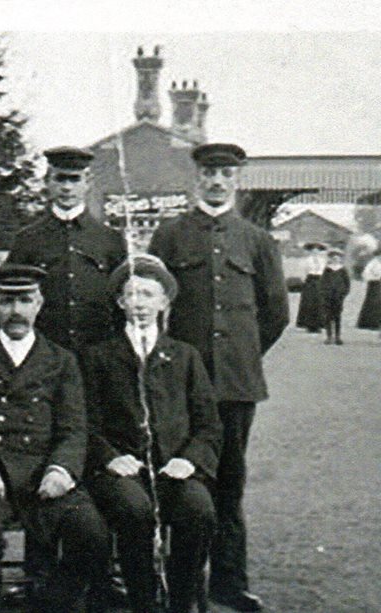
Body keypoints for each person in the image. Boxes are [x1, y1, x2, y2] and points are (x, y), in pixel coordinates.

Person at [149, 143, 289, 612]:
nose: (216, 181)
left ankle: (229, 582)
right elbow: (153, 304)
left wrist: (239, 358)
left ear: (237, 180)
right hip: (180, 387)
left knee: (229, 483)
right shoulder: (169, 236)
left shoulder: (256, 240)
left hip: (234, 386)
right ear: (197, 178)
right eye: (209, 172)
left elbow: (275, 315)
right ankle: (179, 582)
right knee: (179, 479)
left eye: (225, 173)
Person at [0, 264, 109, 613]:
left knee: (92, 535)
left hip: (43, 473)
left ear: (39, 304)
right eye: (6, 300)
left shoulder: (61, 360)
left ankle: (52, 604)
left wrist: (61, 471)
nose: (16, 310)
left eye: (25, 300)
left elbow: (74, 427)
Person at [82, 254, 222, 613]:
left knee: (199, 509)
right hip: (121, 471)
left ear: (164, 302)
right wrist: (110, 457)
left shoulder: (186, 356)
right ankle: (143, 601)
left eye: (148, 294)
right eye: (131, 294)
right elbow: (85, 422)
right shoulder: (98, 357)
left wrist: (188, 461)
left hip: (174, 468)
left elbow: (208, 424)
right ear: (119, 302)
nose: (139, 303)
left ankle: (180, 600)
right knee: (134, 510)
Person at [7, 146, 127, 355]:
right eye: (60, 179)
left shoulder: (110, 239)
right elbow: (11, 298)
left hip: (97, 352)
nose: (67, 188)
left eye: (74, 180)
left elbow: (122, 301)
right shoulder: (27, 239)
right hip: (43, 353)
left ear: (88, 183)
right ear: (47, 182)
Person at [319, 248, 350, 345]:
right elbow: (322, 283)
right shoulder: (327, 270)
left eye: (337, 258)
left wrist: (343, 293)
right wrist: (324, 293)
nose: (335, 260)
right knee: (328, 316)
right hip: (328, 296)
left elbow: (347, 283)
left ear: (340, 259)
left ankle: (338, 337)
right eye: (333, 258)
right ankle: (329, 336)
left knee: (337, 316)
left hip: (338, 296)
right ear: (330, 259)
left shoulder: (343, 270)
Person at [295, 242, 327, 332]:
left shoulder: (323, 261)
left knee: (320, 302)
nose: (315, 252)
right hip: (310, 281)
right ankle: (309, 325)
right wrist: (305, 281)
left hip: (321, 281)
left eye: (317, 251)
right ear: (310, 251)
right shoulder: (306, 261)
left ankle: (319, 324)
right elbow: (302, 272)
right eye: (313, 251)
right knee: (309, 302)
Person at [355, 249, 381, 333]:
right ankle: (369, 323)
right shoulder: (373, 263)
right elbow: (365, 274)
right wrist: (374, 278)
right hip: (374, 285)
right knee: (373, 302)